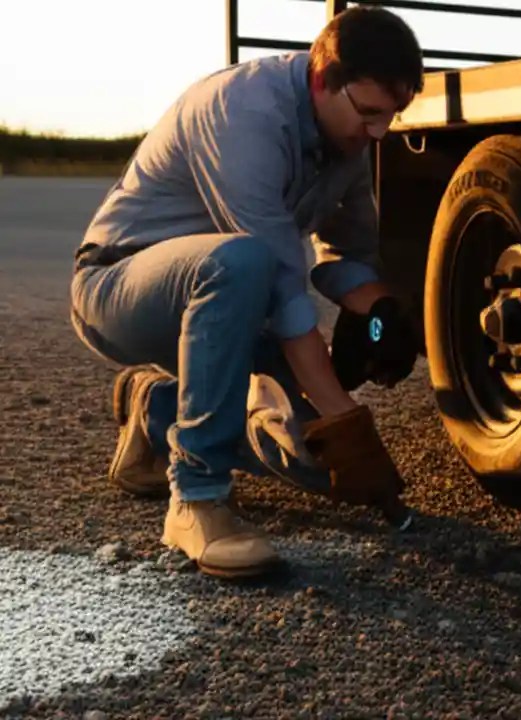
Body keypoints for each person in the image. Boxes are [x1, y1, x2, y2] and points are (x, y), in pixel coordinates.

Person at [69, 7, 423, 579]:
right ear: (320, 77)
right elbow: (282, 290)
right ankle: (198, 497)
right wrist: (346, 419)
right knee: (244, 263)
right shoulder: (243, 112)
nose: (380, 132)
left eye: (394, 115)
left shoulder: (349, 143)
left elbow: (349, 255)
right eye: (370, 113)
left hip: (228, 303)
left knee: (312, 463)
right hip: (116, 286)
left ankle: (156, 411)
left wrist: (380, 313)